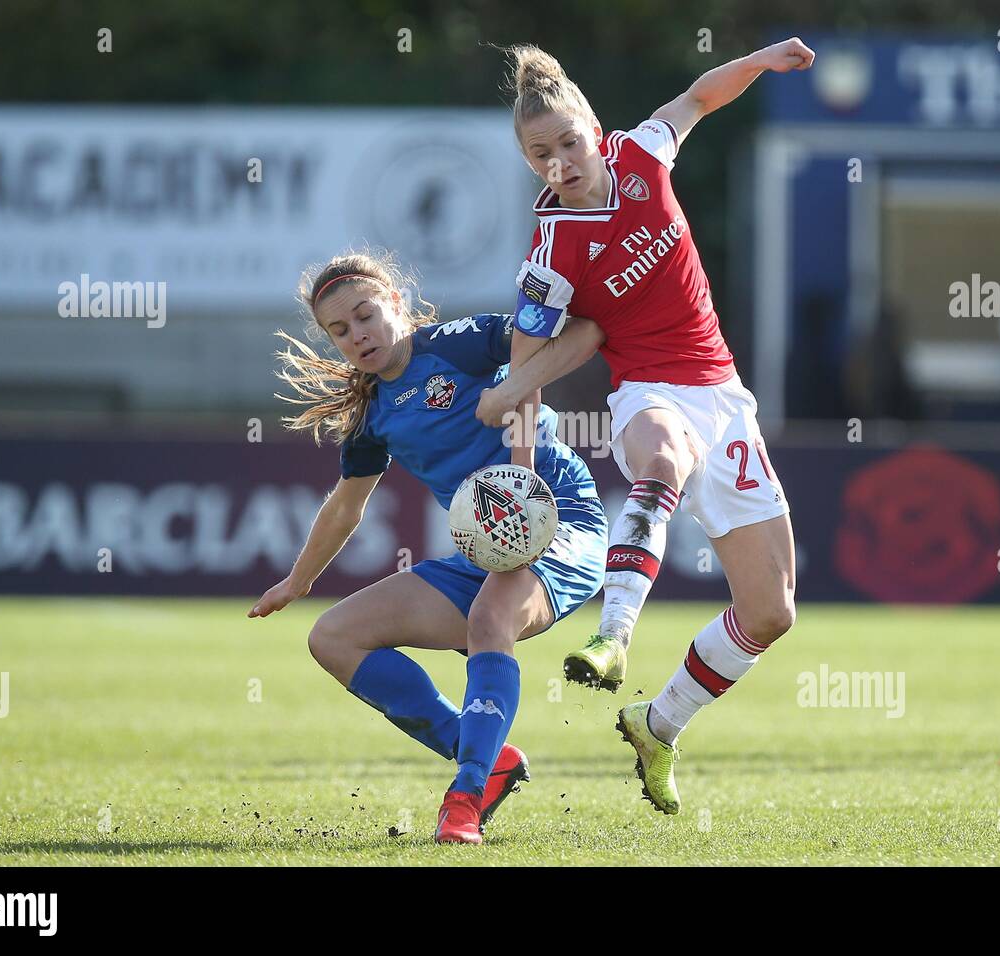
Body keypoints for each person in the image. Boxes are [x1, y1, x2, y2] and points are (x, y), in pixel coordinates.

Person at [475, 39, 814, 813]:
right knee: (660, 459)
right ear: (529, 163)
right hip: (646, 390)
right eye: (540, 153)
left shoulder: (642, 154)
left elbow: (697, 95)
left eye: (568, 141)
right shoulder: (551, 254)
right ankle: (614, 634)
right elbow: (527, 367)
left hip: (723, 394)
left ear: (595, 129)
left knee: (772, 611)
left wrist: (762, 59)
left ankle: (658, 724)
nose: (559, 159)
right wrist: (521, 474)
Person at [249, 251, 607, 842]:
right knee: (333, 638)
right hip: (489, 549)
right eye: (340, 330)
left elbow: (576, 335)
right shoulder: (373, 413)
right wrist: (298, 582)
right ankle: (486, 758)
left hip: (559, 520)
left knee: (491, 619)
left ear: (396, 303)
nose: (357, 335)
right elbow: (346, 505)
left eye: (365, 315)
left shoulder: (458, 344)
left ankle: (463, 797)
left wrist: (519, 476)